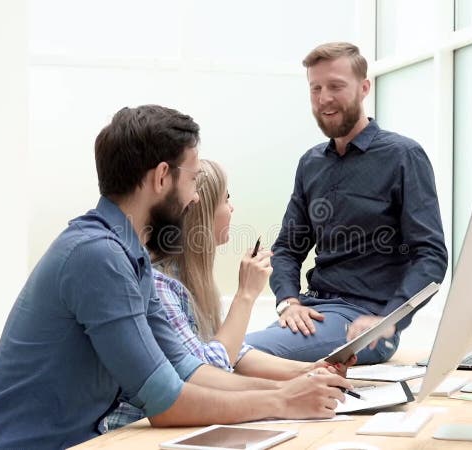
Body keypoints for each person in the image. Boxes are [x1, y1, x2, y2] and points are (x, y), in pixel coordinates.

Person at [0, 105, 350, 449]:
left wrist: (290, 391)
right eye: (194, 180)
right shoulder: (97, 257)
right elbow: (166, 401)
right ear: (162, 177)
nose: (197, 197)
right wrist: (281, 400)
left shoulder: (128, 256)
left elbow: (186, 369)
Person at [105, 159, 356, 430]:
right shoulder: (161, 284)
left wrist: (306, 372)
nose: (231, 207)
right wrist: (245, 296)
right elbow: (205, 371)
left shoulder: (192, 280)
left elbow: (237, 353)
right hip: (131, 431)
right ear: (201, 212)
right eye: (226, 198)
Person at [245, 42, 448, 365]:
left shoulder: (403, 156)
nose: (324, 98)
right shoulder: (310, 163)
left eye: (336, 86)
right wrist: (288, 301)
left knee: (231, 354)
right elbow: (287, 248)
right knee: (226, 355)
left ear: (364, 88)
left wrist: (387, 320)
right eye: (316, 88)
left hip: (363, 323)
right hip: (315, 313)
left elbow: (431, 256)